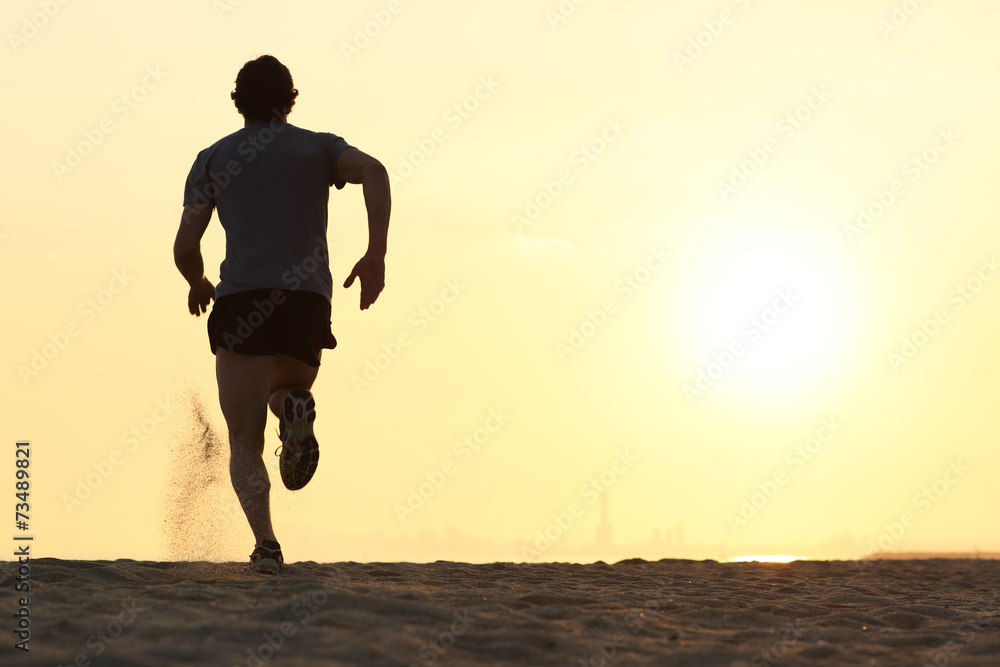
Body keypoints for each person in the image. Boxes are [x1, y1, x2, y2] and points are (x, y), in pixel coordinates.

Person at [172, 55, 390, 574]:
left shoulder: (213, 158)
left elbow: (185, 245)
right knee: (285, 387)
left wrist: (197, 281)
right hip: (305, 301)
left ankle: (267, 545)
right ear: (290, 99)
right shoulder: (321, 148)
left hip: (242, 301)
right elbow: (376, 171)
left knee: (244, 438)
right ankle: (294, 402)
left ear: (237, 101)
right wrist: (375, 252)